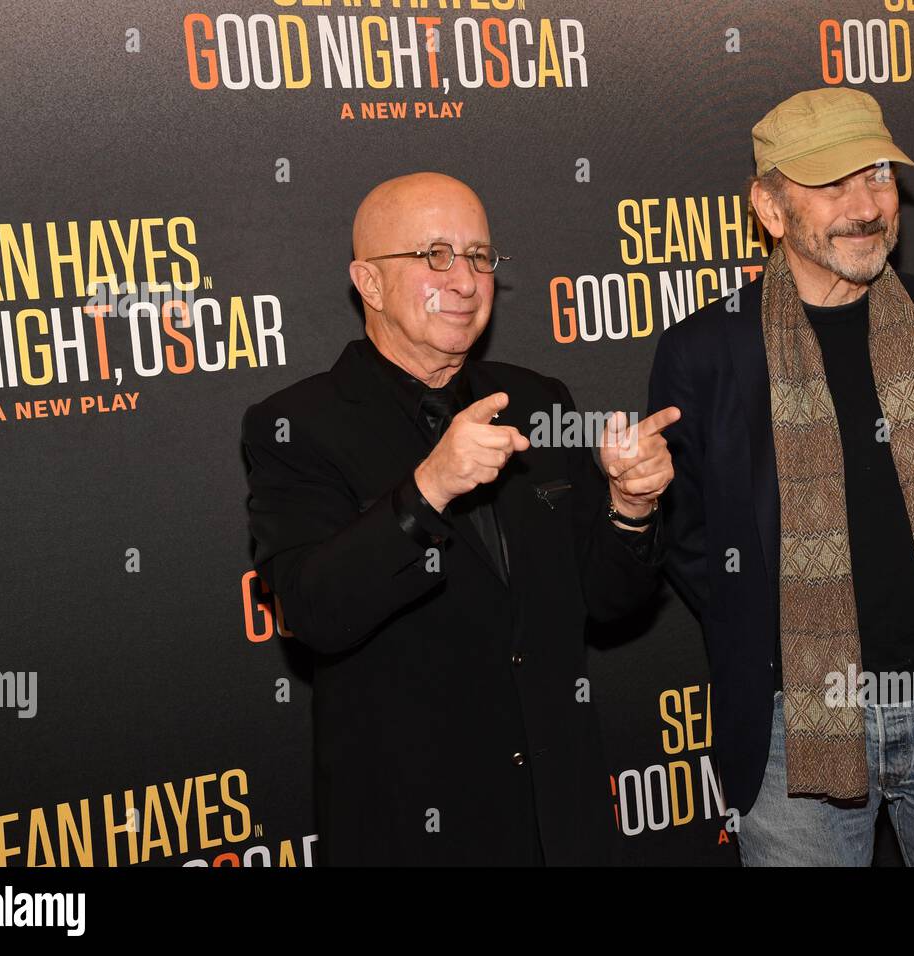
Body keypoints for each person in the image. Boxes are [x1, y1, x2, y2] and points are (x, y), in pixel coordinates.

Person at [242, 171, 679, 865]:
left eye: (479, 256)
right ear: (370, 282)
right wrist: (427, 491)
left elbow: (607, 603)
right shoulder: (298, 426)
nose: (468, 280)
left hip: (561, 825)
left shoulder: (537, 399)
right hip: (415, 830)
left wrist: (630, 508)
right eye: (435, 256)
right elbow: (314, 608)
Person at [647, 88, 914, 865]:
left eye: (881, 176)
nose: (867, 207)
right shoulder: (705, 351)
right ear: (770, 206)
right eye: (834, 184)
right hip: (799, 723)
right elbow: (689, 539)